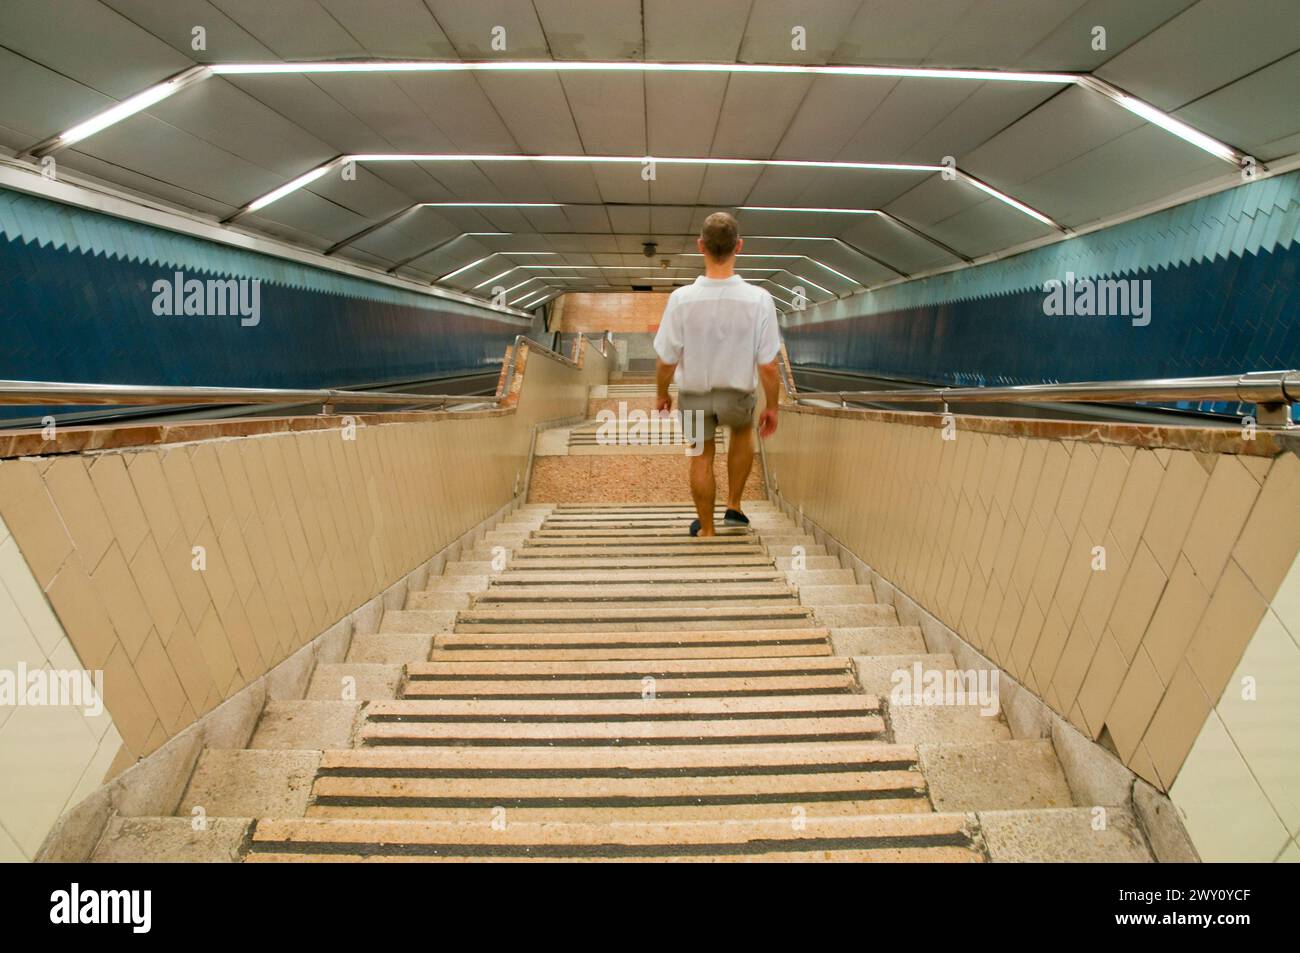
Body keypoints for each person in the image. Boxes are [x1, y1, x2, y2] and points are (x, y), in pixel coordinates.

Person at [653, 211, 782, 538]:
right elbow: (768, 363)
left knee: (701, 455)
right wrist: (773, 406)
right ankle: (734, 507)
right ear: (739, 246)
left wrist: (662, 393)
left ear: (701, 246)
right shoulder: (759, 299)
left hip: (695, 393)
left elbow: (667, 359)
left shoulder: (681, 299)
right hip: (737, 393)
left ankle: (707, 529)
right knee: (741, 436)